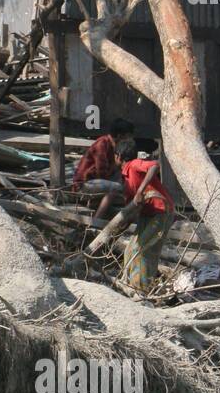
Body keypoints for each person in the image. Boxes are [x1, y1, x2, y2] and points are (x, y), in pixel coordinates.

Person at [118, 143, 175, 293]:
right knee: (129, 250)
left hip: (161, 211)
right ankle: (128, 284)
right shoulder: (126, 177)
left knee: (142, 249)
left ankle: (141, 289)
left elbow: (155, 166)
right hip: (146, 215)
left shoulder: (133, 164)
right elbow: (131, 208)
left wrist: (140, 191)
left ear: (119, 157)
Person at [71, 117, 135, 220]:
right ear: (119, 136)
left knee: (123, 181)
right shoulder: (102, 143)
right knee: (117, 188)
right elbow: (102, 173)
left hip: (98, 182)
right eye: (128, 136)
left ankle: (98, 207)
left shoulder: (114, 146)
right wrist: (116, 166)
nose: (129, 139)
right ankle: (96, 222)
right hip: (83, 185)